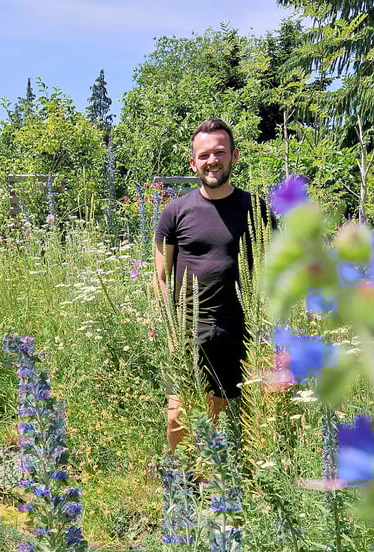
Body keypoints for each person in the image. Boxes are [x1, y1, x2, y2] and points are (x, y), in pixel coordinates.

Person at [154, 118, 273, 455]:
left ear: (234, 156)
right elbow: (161, 275)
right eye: (204, 155)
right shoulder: (176, 212)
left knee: (221, 407)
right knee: (179, 408)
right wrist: (170, 326)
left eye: (219, 152)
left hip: (241, 325)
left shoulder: (257, 209)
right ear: (193, 162)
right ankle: (181, 478)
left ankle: (214, 478)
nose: (212, 161)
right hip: (189, 325)